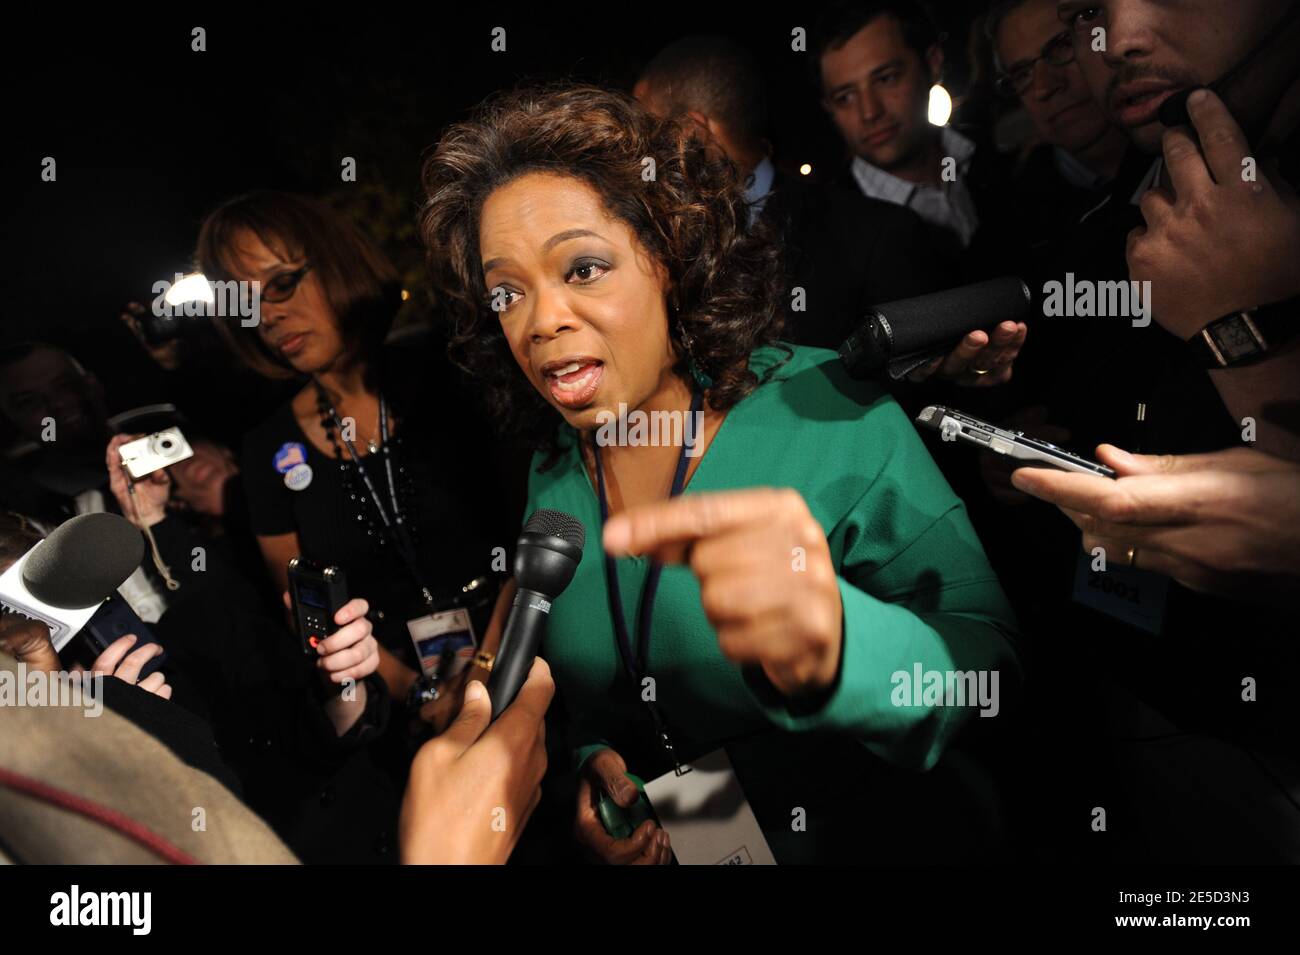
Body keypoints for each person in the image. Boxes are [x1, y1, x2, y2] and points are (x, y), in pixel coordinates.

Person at [419, 82, 1021, 865]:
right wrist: (598, 764)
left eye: (584, 268)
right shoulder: (555, 467)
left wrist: (844, 651)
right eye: (507, 291)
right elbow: (607, 677)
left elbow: (992, 667)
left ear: (670, 257)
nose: (540, 321)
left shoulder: (829, 410)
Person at [196, 191, 507, 712]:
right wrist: (419, 696)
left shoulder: (453, 371)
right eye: (248, 305)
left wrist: (485, 673)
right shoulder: (267, 448)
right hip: (403, 706)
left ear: (337, 260)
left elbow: (537, 533)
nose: (267, 316)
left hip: (531, 651)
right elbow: (308, 607)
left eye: (282, 284)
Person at [633, 35, 943, 352]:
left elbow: (912, 381)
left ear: (693, 133)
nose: (644, 156)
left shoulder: (878, 235)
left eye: (652, 136)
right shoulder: (659, 243)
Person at [810, 1, 1028, 387]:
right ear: (828, 108)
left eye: (886, 78)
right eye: (845, 96)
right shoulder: (823, 236)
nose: (869, 111)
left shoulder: (1012, 157)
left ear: (932, 63)